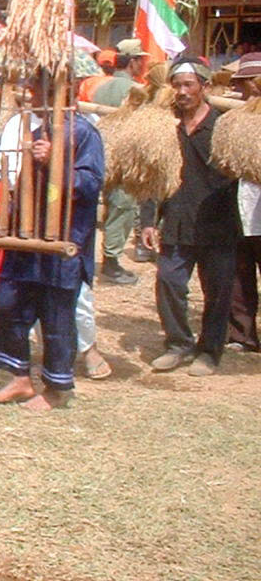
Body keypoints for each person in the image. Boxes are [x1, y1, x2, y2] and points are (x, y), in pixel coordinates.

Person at [0, 74, 105, 410]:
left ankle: (56, 388)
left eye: (39, 90)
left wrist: (55, 161)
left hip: (64, 241)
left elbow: (90, 184)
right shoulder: (37, 132)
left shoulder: (84, 133)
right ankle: (20, 377)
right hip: (28, 238)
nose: (32, 95)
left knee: (57, 318)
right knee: (11, 307)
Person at [141, 54, 239, 376]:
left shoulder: (224, 125)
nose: (181, 92)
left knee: (218, 290)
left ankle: (209, 351)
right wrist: (147, 220)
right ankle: (178, 344)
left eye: (188, 85)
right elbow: (150, 174)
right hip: (178, 219)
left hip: (218, 221)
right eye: (176, 85)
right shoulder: (164, 126)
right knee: (168, 281)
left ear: (204, 87)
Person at [94, 39, 148, 283]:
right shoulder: (137, 91)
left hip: (101, 153)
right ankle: (112, 261)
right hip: (124, 156)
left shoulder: (100, 88)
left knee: (109, 205)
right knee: (122, 206)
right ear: (134, 62)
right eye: (141, 60)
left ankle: (109, 255)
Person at [228, 55, 261, 353]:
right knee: (238, 276)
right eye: (242, 83)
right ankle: (242, 335)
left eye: (250, 82)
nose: (246, 88)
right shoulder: (232, 118)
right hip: (237, 210)